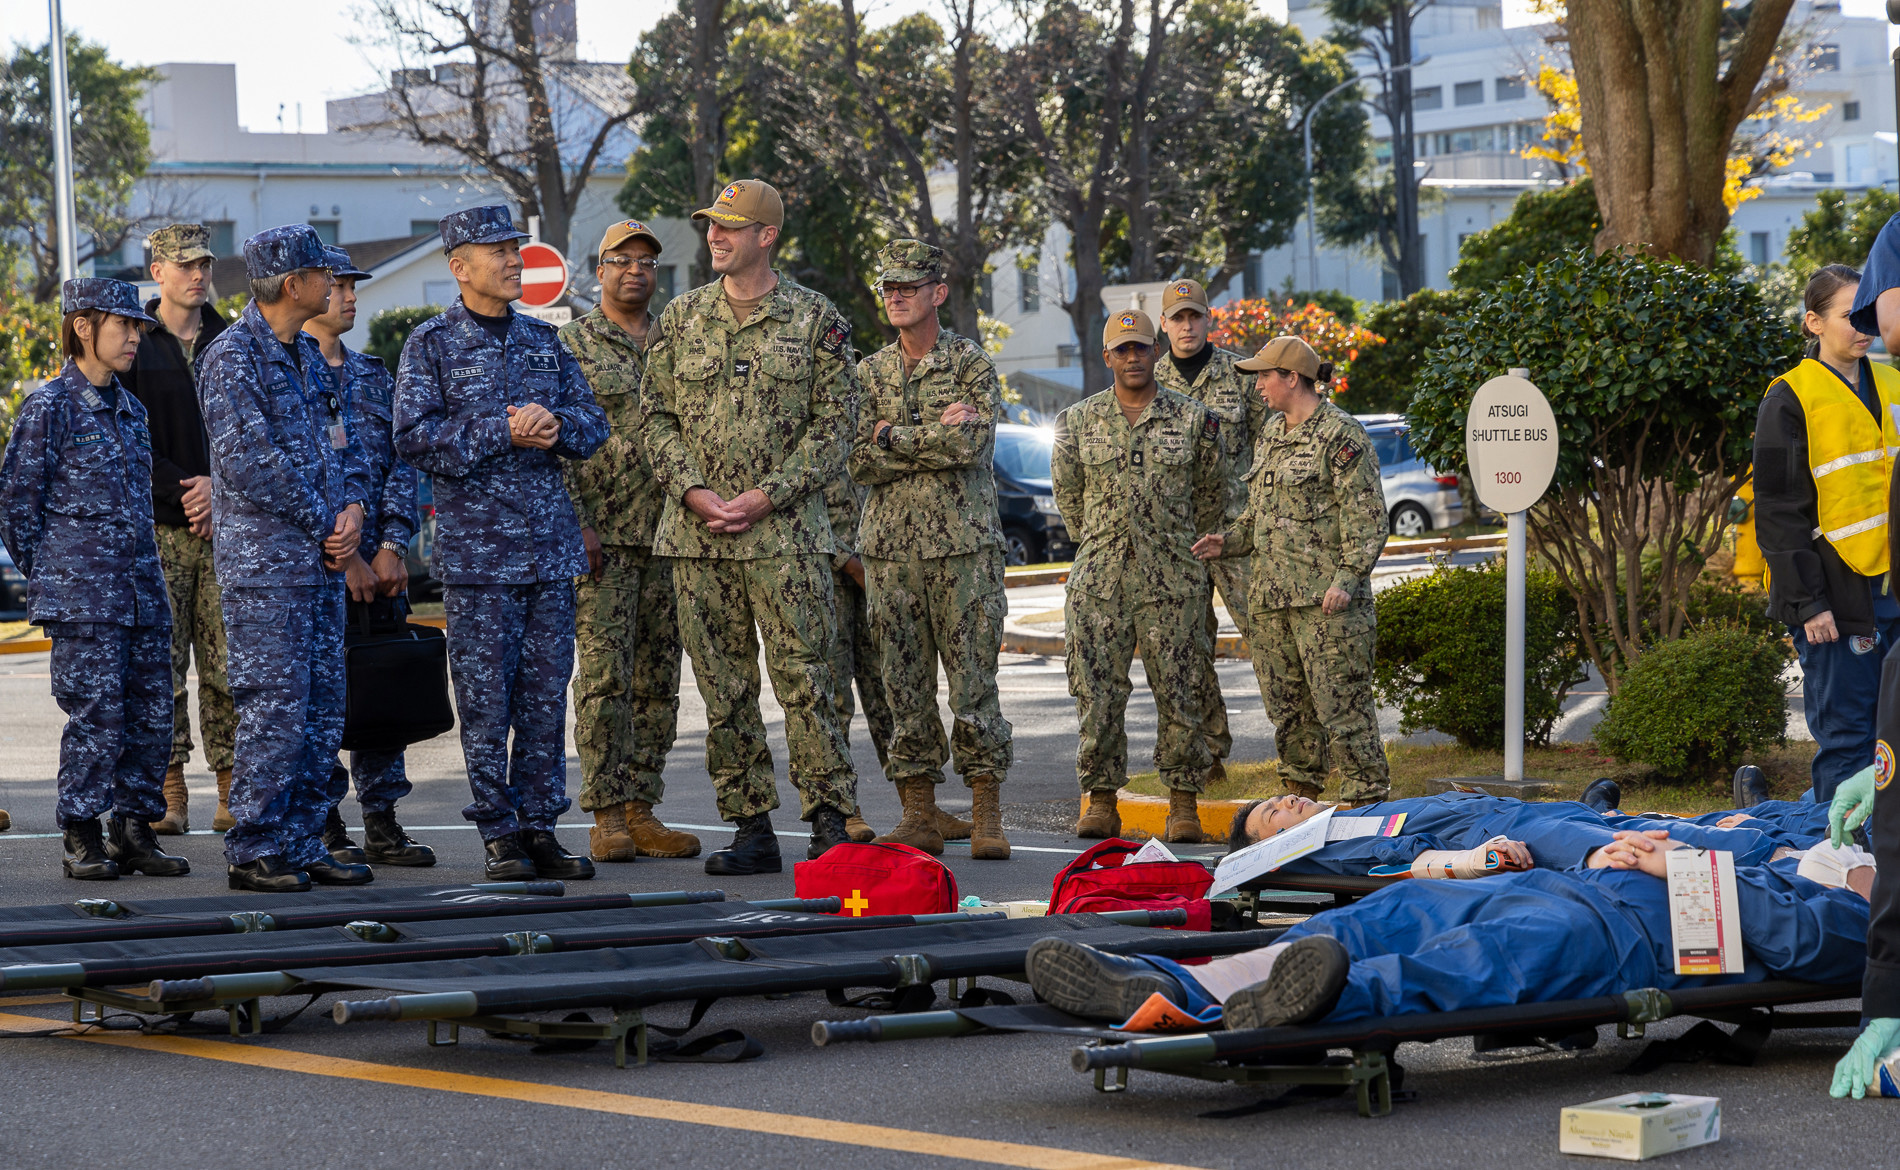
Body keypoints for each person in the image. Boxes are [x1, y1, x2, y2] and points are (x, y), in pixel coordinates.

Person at [1028, 832, 1872, 1031]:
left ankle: (1282, 1008)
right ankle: (1170, 987)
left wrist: (1674, 867)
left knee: (1467, 964)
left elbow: (1801, 948)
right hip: (1564, 883)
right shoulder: (1793, 852)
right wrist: (1622, 846)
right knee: (1375, 916)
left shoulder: (1865, 914)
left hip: (1615, 938)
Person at [639, 179, 862, 875]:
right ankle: (751, 827)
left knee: (808, 681)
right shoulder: (681, 319)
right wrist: (695, 491)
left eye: (730, 227)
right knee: (723, 687)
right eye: (711, 225)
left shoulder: (815, 318)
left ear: (766, 236)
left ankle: (829, 821)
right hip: (698, 538)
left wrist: (770, 494)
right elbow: (656, 419)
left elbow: (836, 427)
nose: (715, 236)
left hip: (788, 538)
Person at [394, 206, 608, 882]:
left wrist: (556, 424)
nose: (514, 260)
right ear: (459, 267)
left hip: (548, 553)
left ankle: (542, 827)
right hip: (480, 560)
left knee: (545, 699)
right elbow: (414, 438)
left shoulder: (546, 340)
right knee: (487, 702)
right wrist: (499, 431)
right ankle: (499, 832)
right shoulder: (430, 344)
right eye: (498, 251)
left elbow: (593, 426)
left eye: (516, 248)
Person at [197, 225, 371, 892]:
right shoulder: (231, 357)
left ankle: (303, 838)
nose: (334, 283)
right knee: (274, 707)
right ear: (292, 284)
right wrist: (327, 520)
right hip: (268, 572)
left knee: (322, 710)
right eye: (323, 274)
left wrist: (352, 512)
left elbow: (345, 444)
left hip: (321, 564)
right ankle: (256, 846)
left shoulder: (303, 354)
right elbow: (249, 464)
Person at [0, 278, 189, 880]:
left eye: (138, 327)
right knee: (96, 716)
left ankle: (135, 830)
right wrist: (60, 574)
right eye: (124, 325)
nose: (135, 336)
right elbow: (17, 508)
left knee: (152, 713)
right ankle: (81, 832)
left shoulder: (131, 411)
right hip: (85, 598)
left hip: (140, 592)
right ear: (84, 326)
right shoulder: (49, 407)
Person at [847, 239, 1011, 859]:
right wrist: (918, 437)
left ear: (937, 293)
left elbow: (970, 446)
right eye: (887, 287)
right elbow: (855, 458)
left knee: (975, 683)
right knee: (903, 683)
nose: (895, 296)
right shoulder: (866, 374)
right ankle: (918, 811)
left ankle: (986, 810)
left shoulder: (970, 364)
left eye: (908, 287)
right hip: (889, 553)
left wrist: (891, 437)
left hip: (964, 550)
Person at [1052, 309, 1226, 842]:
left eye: (1142, 347)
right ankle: (1101, 799)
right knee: (1098, 693)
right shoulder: (1076, 422)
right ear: (1107, 357)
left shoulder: (1196, 420)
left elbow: (1211, 497)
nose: (1133, 357)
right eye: (1122, 349)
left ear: (1157, 352)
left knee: (1181, 692)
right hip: (1099, 583)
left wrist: (1171, 547)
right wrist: (1105, 545)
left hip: (1173, 582)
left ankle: (1183, 804)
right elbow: (1070, 499)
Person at [1194, 336, 1390, 807]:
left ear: (1292, 378)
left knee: (1342, 709)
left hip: (1326, 605)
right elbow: (1259, 514)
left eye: (1264, 375)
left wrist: (1347, 580)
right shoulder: (1271, 434)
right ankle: (1300, 800)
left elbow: (1368, 518)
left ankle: (1368, 802)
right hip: (1272, 603)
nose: (1257, 385)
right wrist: (1230, 540)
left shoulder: (1340, 434)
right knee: (1289, 712)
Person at [558, 220, 698, 863]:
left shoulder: (681, 339)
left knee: (658, 681)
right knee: (605, 680)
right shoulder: (572, 345)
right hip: (604, 538)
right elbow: (555, 448)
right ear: (600, 271)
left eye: (646, 261)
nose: (636, 271)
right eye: (622, 260)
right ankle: (607, 815)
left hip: (673, 535)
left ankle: (644, 809)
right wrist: (576, 521)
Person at [301, 245, 434, 868]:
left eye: (355, 287)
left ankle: (382, 818)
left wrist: (388, 546)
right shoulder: (285, 372)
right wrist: (345, 555)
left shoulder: (376, 374)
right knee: (319, 694)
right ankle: (323, 822)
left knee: (383, 688)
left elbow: (400, 462)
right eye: (341, 286)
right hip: (318, 565)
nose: (352, 297)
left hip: (381, 566)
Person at [1755, 265, 1900, 806]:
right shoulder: (1790, 397)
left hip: (1894, 585)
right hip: (1835, 599)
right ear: (1813, 321)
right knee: (1849, 739)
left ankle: (1883, 866)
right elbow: (1778, 510)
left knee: (1894, 739)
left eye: (1868, 313)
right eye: (1848, 315)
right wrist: (1808, 603)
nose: (1863, 327)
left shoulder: (1893, 382)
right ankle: (1835, 868)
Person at [122, 223, 234, 835]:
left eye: (205, 264)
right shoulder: (134, 338)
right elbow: (126, 436)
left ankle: (229, 788)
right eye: (184, 265)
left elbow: (249, 429)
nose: (198, 274)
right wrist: (185, 489)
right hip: (162, 528)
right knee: (161, 668)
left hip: (226, 527)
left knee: (225, 664)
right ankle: (170, 795)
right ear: (157, 270)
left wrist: (218, 487)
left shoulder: (234, 338)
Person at [1154, 279, 1265, 789]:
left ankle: (1305, 751)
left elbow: (1275, 444)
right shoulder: (1146, 379)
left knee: (1271, 639)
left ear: (1208, 319)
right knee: (1189, 650)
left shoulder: (1243, 375)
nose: (1186, 326)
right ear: (1163, 324)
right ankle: (1210, 755)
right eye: (1176, 318)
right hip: (1180, 541)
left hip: (1241, 533)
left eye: (1194, 316)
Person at [1226, 790, 1799, 876]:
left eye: (1278, 797)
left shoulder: (1357, 811)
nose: (1287, 800)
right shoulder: (1333, 844)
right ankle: (1803, 860)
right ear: (1274, 844)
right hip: (1522, 833)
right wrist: (1478, 857)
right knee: (1639, 846)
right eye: (1274, 815)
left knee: (1716, 823)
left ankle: (1808, 830)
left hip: (1532, 813)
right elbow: (1405, 858)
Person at [823, 467, 896, 844]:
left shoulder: (874, 421)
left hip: (878, 573)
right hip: (827, 578)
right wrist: (847, 563)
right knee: (835, 699)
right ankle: (846, 808)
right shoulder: (820, 423)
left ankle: (917, 804)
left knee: (890, 691)